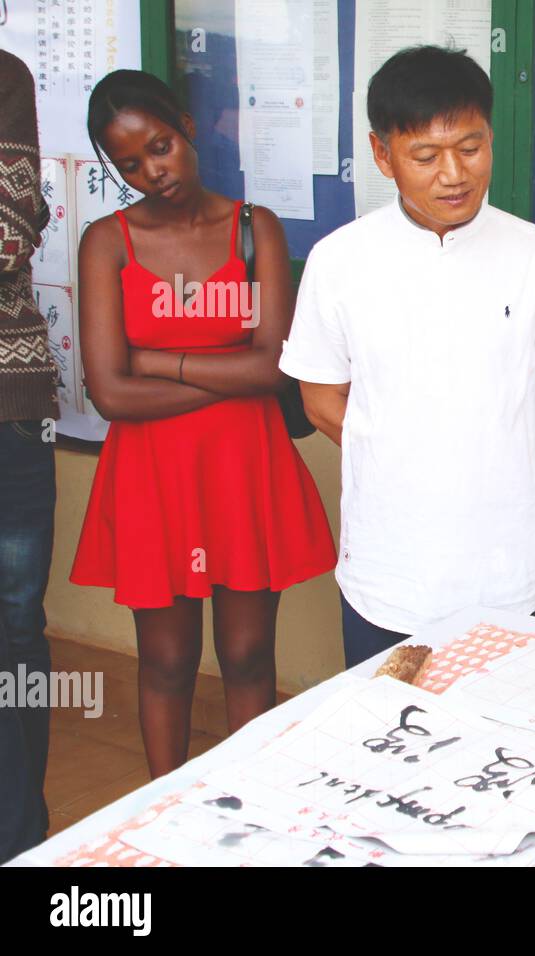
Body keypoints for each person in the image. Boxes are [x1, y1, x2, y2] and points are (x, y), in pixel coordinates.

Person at [280, 46, 535, 667]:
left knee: (508, 744)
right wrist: (398, 454)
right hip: (387, 572)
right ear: (382, 154)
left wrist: (498, 451)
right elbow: (319, 398)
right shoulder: (340, 261)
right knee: (394, 741)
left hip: (513, 569)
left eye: (471, 147)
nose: (453, 173)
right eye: (425, 156)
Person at [71, 70, 336, 776]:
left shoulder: (256, 230)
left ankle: (249, 807)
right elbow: (110, 395)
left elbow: (275, 368)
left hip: (242, 468)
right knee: (166, 659)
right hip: (153, 476)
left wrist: (156, 359)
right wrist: (226, 373)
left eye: (160, 146)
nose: (152, 172)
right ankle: (165, 813)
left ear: (186, 126)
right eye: (128, 163)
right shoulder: (107, 243)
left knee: (248, 654)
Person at [0, 50, 60, 862]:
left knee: (13, 631)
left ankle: (18, 840)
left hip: (8, 412)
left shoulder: (4, 79)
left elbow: (9, 235)